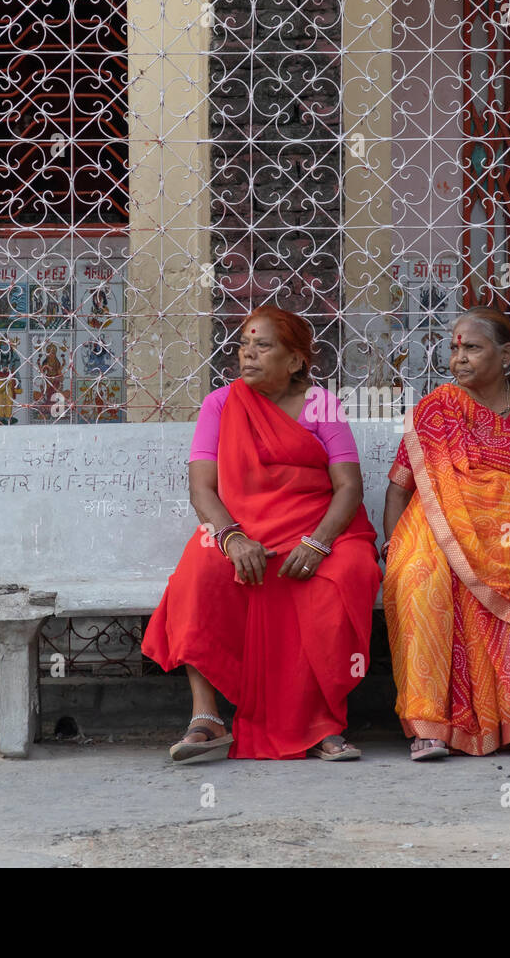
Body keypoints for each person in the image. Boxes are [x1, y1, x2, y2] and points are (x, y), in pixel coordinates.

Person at [142, 305, 381, 762]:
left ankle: (321, 721)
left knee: (347, 574)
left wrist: (318, 542)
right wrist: (231, 538)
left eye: (262, 345)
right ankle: (207, 717)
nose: (247, 354)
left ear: (294, 361)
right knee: (199, 570)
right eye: (243, 345)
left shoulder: (320, 404)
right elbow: (202, 487)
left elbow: (348, 486)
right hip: (242, 530)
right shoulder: (221, 403)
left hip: (320, 531)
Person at [381, 306, 510, 761]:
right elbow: (399, 490)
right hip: (443, 537)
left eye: (472, 347)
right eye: (454, 348)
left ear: (506, 354)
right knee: (418, 576)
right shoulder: (435, 411)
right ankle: (429, 725)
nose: (459, 358)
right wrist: (396, 547)